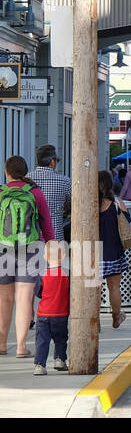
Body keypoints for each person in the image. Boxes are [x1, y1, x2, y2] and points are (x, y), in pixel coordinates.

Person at [0, 155, 54, 357]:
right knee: (24, 298)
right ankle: (22, 347)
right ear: (25, 172)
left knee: (4, 299)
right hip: (30, 248)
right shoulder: (35, 192)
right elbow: (46, 222)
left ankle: (2, 344)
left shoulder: (0, 193)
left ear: (7, 172)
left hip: (3, 248)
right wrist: (51, 244)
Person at [31, 242, 69, 375]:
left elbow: (38, 293)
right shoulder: (67, 275)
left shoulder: (42, 275)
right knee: (61, 339)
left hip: (43, 314)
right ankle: (59, 359)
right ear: (63, 256)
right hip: (61, 313)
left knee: (42, 341)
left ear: (45, 257)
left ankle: (40, 365)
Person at [97, 170, 128, 329]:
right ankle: (116, 317)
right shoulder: (117, 202)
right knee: (114, 287)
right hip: (113, 252)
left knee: (94, 289)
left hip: (92, 253)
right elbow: (128, 223)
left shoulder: (89, 204)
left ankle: (96, 322)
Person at [31, 145, 70, 247]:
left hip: (31, 236)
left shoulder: (27, 179)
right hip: (55, 236)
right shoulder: (64, 181)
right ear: (52, 162)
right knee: (55, 263)